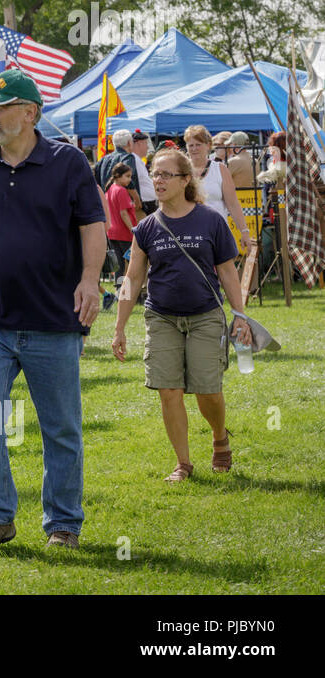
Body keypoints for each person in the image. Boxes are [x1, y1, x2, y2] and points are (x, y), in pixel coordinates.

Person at [0, 69, 106, 553]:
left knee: (60, 427)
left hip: (54, 318)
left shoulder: (68, 162)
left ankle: (63, 524)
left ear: (30, 113)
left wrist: (90, 280)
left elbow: (93, 224)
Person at [111, 148, 252, 481]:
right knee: (168, 389)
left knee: (207, 390)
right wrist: (119, 327)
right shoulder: (146, 227)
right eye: (154, 174)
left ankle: (219, 438)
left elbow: (228, 271)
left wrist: (240, 316)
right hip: (161, 317)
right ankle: (183, 463)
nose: (157, 181)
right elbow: (132, 278)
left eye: (165, 175)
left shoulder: (210, 220)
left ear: (185, 179)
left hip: (205, 315)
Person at [183, 125, 252, 254]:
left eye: (198, 144)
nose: (194, 149)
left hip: (217, 234)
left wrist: (244, 232)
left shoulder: (220, 169)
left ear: (208, 146)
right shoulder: (180, 171)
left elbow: (233, 204)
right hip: (188, 235)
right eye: (190, 145)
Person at [105, 163, 137, 275]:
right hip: (124, 233)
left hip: (112, 233)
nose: (130, 179)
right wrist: (133, 230)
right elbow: (123, 213)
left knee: (118, 266)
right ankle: (133, 291)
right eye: (127, 176)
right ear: (118, 175)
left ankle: (119, 290)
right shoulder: (121, 190)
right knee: (134, 264)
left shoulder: (109, 190)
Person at [131, 130, 158, 214]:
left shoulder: (137, 159)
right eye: (146, 143)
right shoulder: (134, 160)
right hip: (145, 202)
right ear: (139, 143)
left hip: (148, 201)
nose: (147, 147)